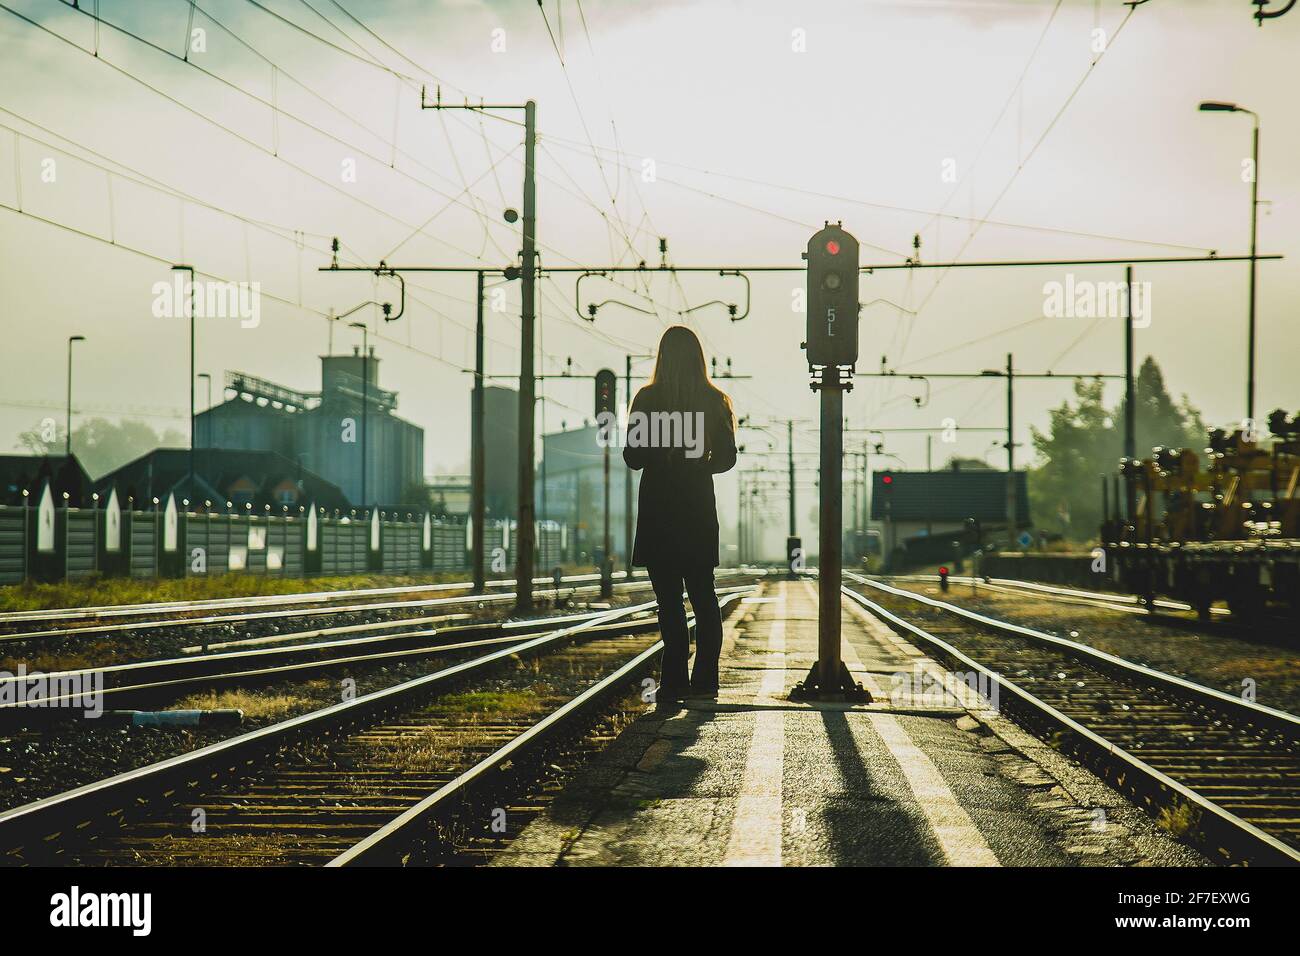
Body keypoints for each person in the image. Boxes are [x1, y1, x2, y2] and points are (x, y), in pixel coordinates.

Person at [623, 325, 737, 704]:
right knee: (704, 596)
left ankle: (673, 680)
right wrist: (697, 461)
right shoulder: (714, 399)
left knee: (668, 601)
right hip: (697, 509)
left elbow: (632, 457)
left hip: (659, 511)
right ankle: (706, 679)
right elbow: (727, 459)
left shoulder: (647, 398)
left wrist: (661, 454)